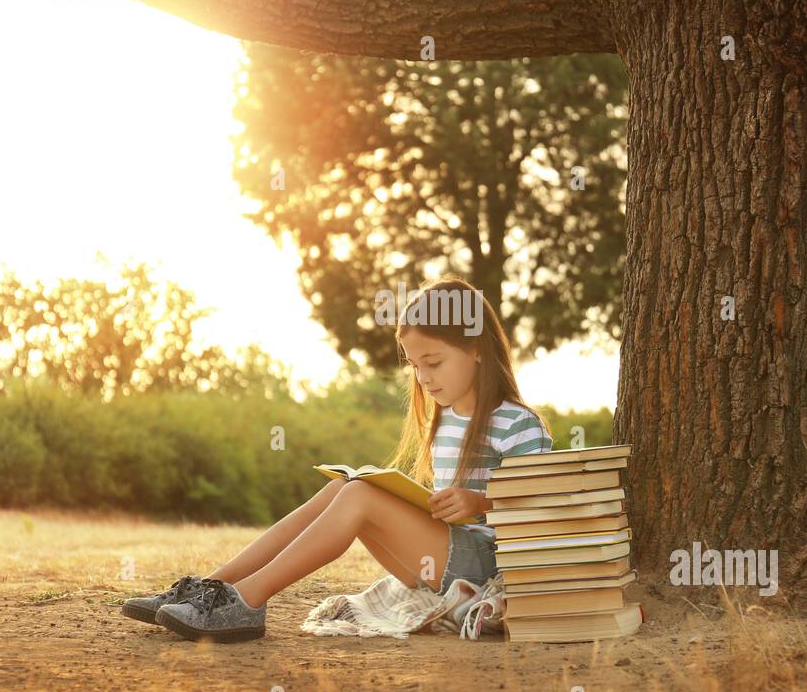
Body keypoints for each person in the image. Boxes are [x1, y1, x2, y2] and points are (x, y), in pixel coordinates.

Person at [120, 275, 552, 642]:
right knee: (343, 487)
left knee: (360, 496)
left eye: (434, 362)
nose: (423, 378)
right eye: (415, 366)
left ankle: (248, 600)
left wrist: (482, 504)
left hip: (484, 565)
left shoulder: (516, 422)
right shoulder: (445, 419)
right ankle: (212, 587)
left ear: (476, 348)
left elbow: (547, 511)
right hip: (444, 554)